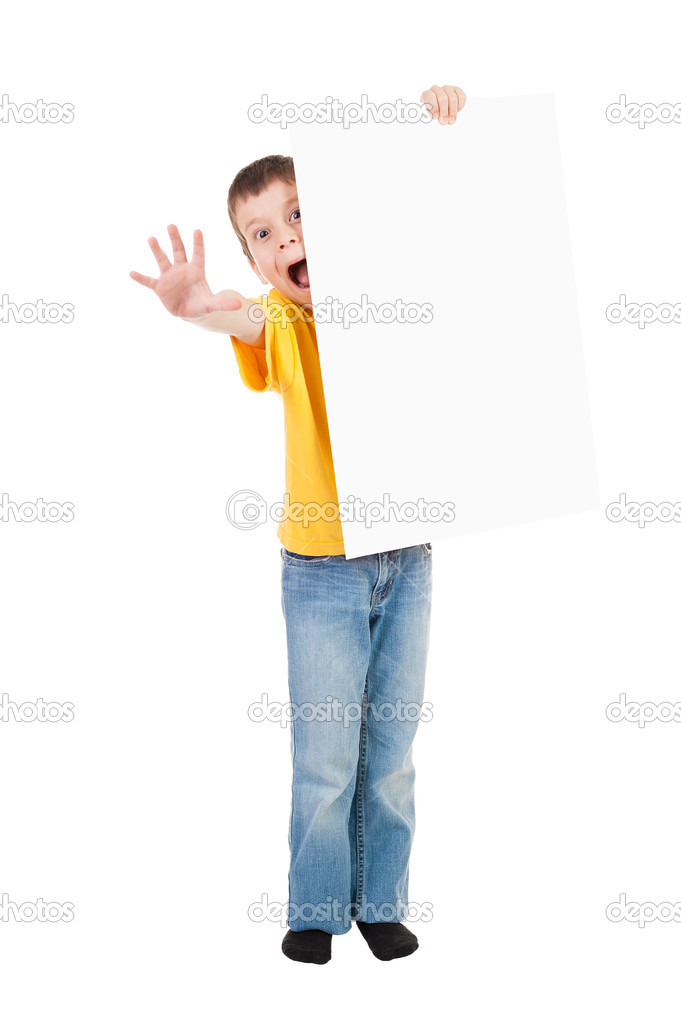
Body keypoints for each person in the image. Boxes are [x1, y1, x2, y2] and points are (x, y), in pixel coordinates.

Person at [130, 84, 466, 964]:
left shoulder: (391, 295)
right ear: (255, 260)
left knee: (389, 747)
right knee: (326, 754)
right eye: (263, 235)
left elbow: (441, 220)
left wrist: (433, 129)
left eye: (299, 216)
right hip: (321, 565)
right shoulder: (279, 319)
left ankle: (379, 900)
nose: (287, 240)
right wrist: (197, 303)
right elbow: (239, 315)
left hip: (407, 552)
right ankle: (314, 911)